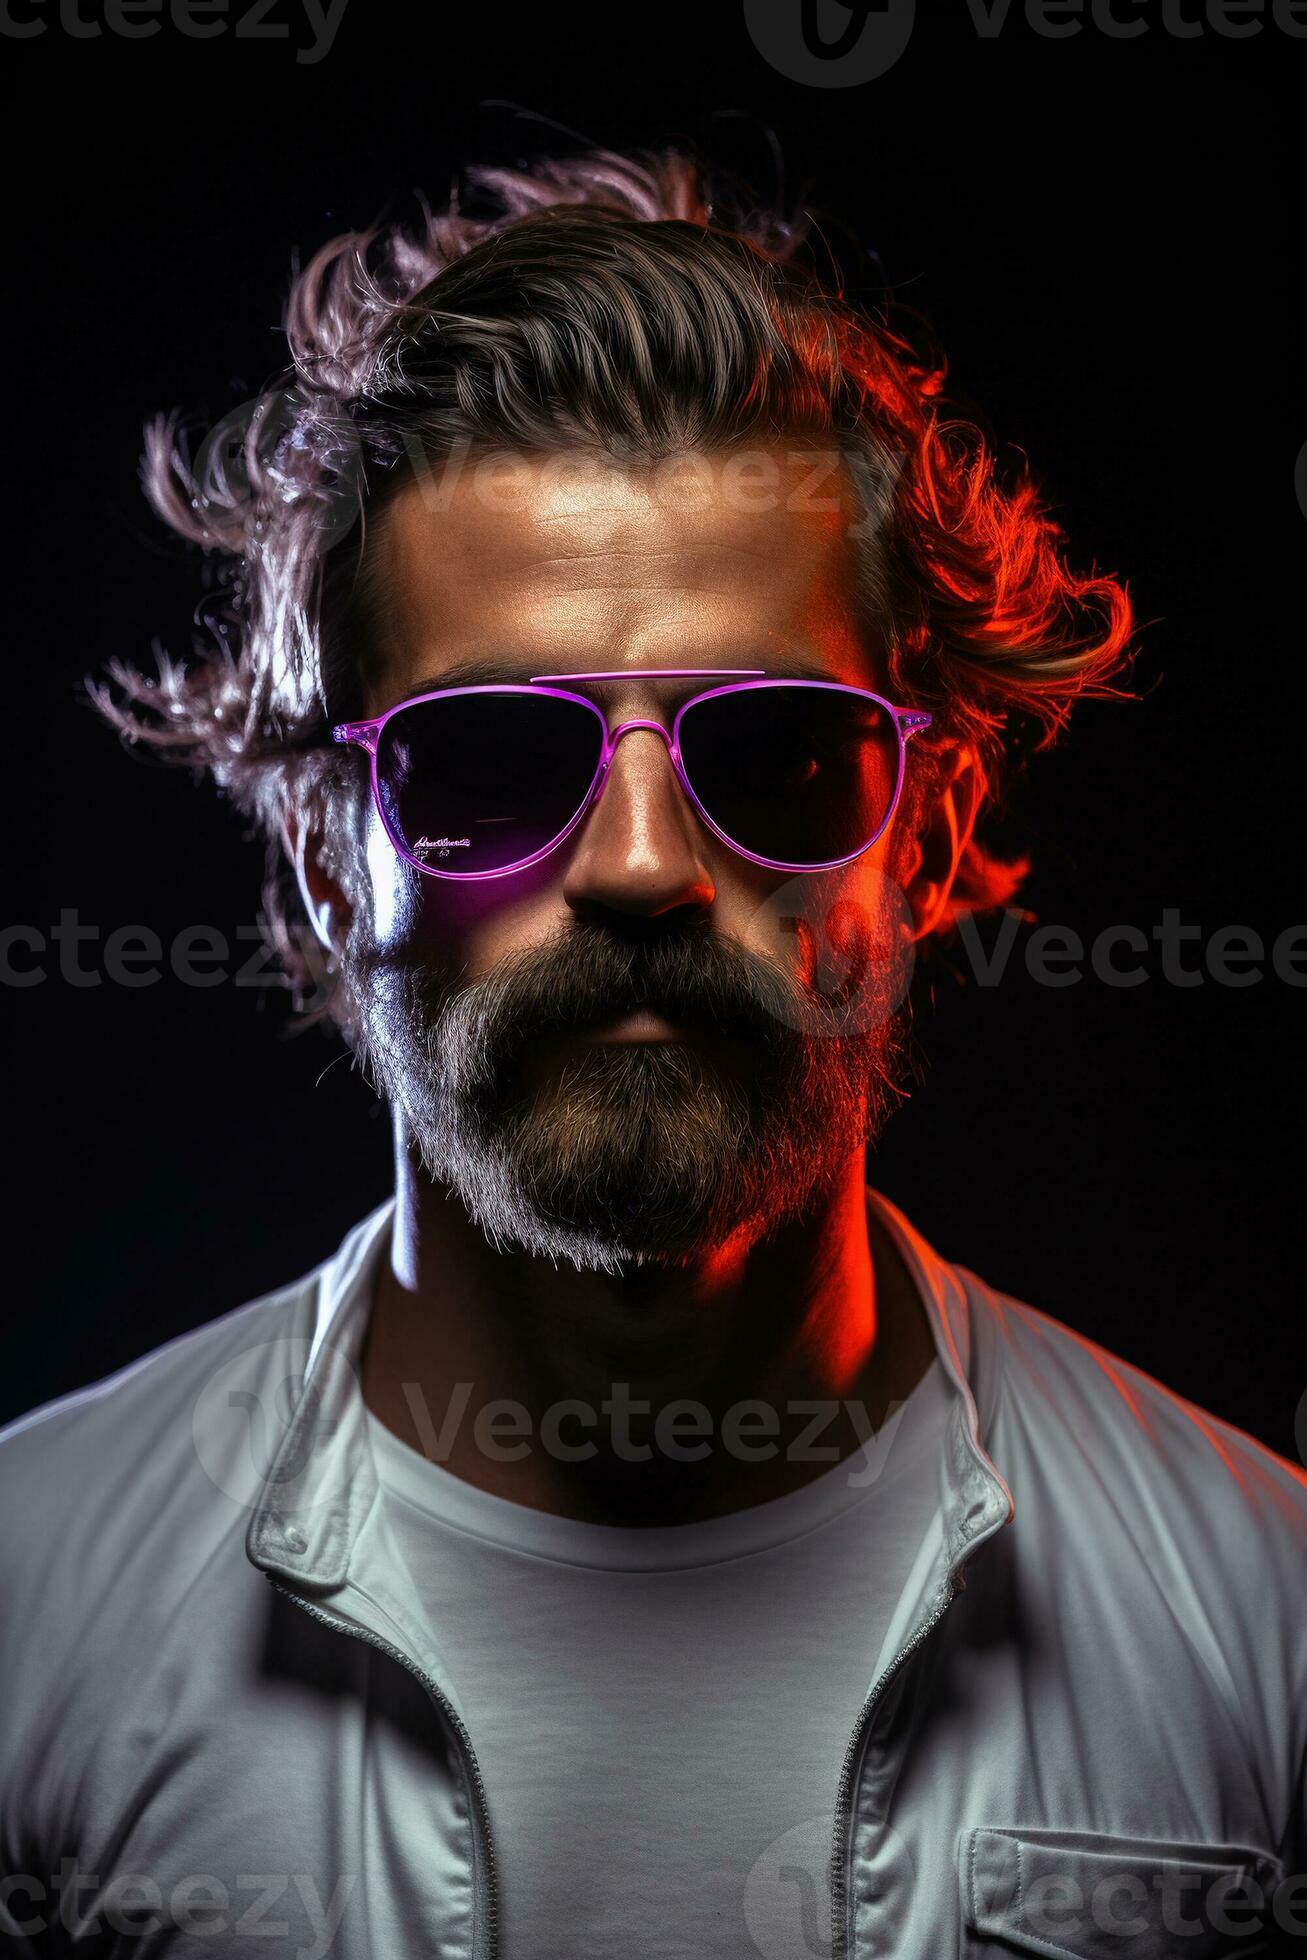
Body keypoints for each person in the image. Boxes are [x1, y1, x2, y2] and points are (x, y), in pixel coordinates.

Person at [2, 148, 1302, 1960]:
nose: (636, 866)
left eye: (774, 754)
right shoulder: (30, 1608)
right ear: (325, 861)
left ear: (927, 836)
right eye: (489, 758)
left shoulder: (1267, 1617)